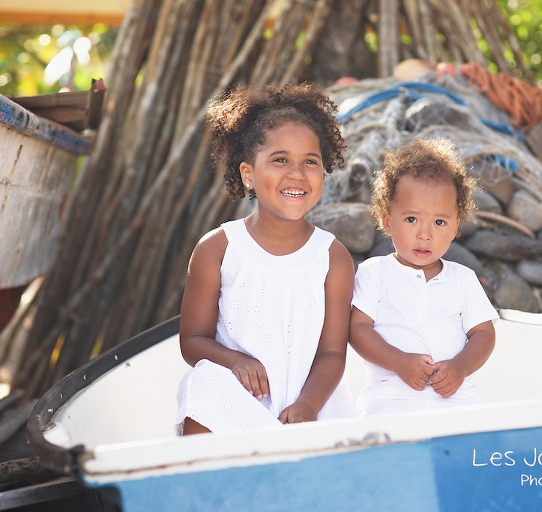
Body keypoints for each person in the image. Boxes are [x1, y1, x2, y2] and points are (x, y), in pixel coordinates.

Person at [175, 83, 357, 435]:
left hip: (307, 405)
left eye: (310, 162)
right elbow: (192, 340)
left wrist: (309, 404)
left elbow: (333, 354)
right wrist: (235, 361)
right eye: (280, 160)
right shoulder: (218, 249)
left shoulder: (332, 257)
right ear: (248, 175)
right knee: (202, 383)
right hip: (237, 403)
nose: (296, 173)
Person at [349, 137, 498, 415]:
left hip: (456, 399)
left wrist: (460, 367)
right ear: (387, 222)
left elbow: (484, 333)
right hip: (388, 400)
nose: (424, 234)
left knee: (477, 439)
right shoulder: (375, 272)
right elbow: (357, 330)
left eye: (439, 222)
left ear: (455, 228)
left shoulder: (464, 278)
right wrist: (399, 362)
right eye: (411, 219)